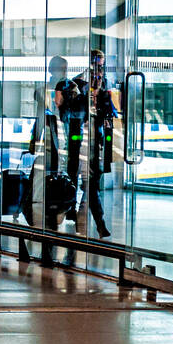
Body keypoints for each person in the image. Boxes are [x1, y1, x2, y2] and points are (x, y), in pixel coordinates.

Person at [65, 49, 120, 239]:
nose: (99, 68)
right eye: (96, 64)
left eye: (101, 65)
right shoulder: (78, 81)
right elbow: (74, 109)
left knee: (92, 183)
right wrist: (91, 91)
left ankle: (99, 223)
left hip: (96, 140)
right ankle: (73, 210)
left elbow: (108, 109)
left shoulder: (105, 82)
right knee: (76, 178)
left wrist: (101, 93)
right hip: (80, 138)